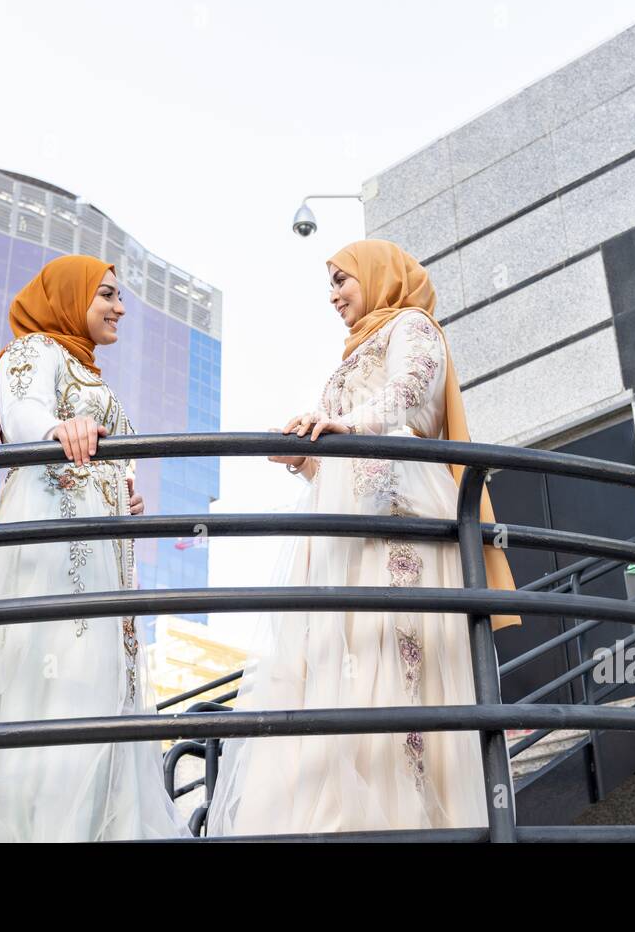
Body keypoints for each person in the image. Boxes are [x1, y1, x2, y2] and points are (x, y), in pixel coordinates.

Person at [206, 238, 521, 837]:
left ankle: (419, 818)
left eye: (342, 280)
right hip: (346, 530)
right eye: (329, 284)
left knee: (401, 655)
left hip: (404, 512)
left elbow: (413, 393)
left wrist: (347, 423)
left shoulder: (413, 325)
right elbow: (341, 458)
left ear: (377, 277)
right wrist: (303, 458)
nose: (333, 296)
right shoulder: (347, 359)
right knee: (343, 662)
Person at [0, 253, 189, 841]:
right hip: (55, 553)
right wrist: (56, 430)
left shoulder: (92, 374)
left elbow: (119, 460)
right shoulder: (34, 351)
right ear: (70, 295)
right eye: (107, 294)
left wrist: (126, 495)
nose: (120, 308)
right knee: (51, 678)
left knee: (103, 683)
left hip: (105, 560)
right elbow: (22, 411)